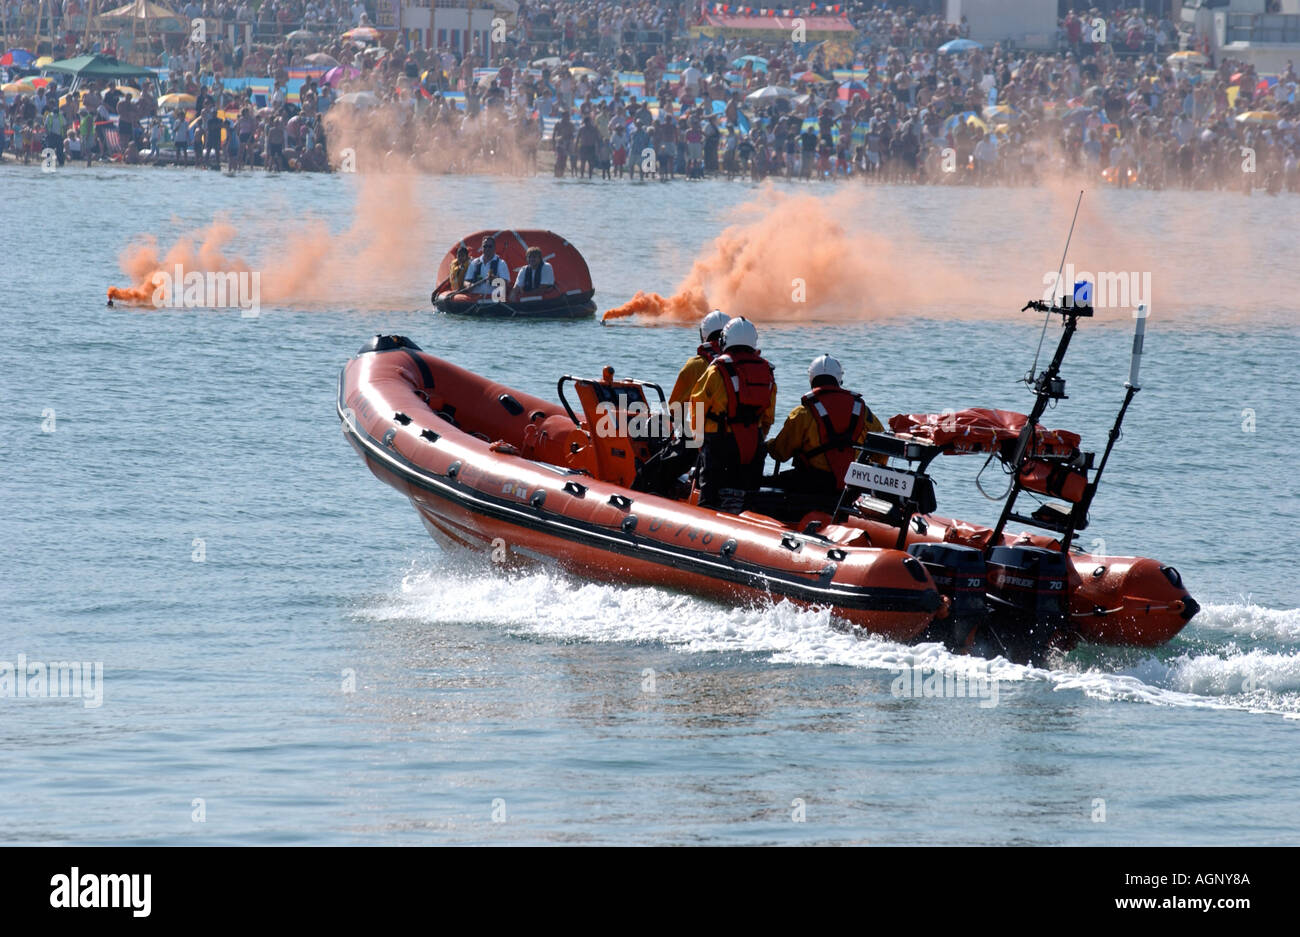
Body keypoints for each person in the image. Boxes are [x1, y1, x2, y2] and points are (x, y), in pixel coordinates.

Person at [767, 355, 885, 503]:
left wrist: (766, 446)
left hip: (811, 485)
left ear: (811, 379)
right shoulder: (862, 410)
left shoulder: (803, 412)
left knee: (763, 483)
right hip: (852, 487)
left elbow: (780, 452)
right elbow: (881, 450)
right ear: (839, 379)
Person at [689, 317, 777, 511]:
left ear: (725, 340)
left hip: (719, 445)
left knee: (709, 500)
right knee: (747, 500)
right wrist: (756, 437)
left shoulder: (717, 369)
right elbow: (768, 417)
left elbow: (697, 406)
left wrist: (699, 443)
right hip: (753, 445)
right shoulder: (767, 372)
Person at [669, 309, 729, 410]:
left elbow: (675, 409)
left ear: (703, 335)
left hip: (707, 425)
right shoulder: (748, 365)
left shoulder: (695, 365)